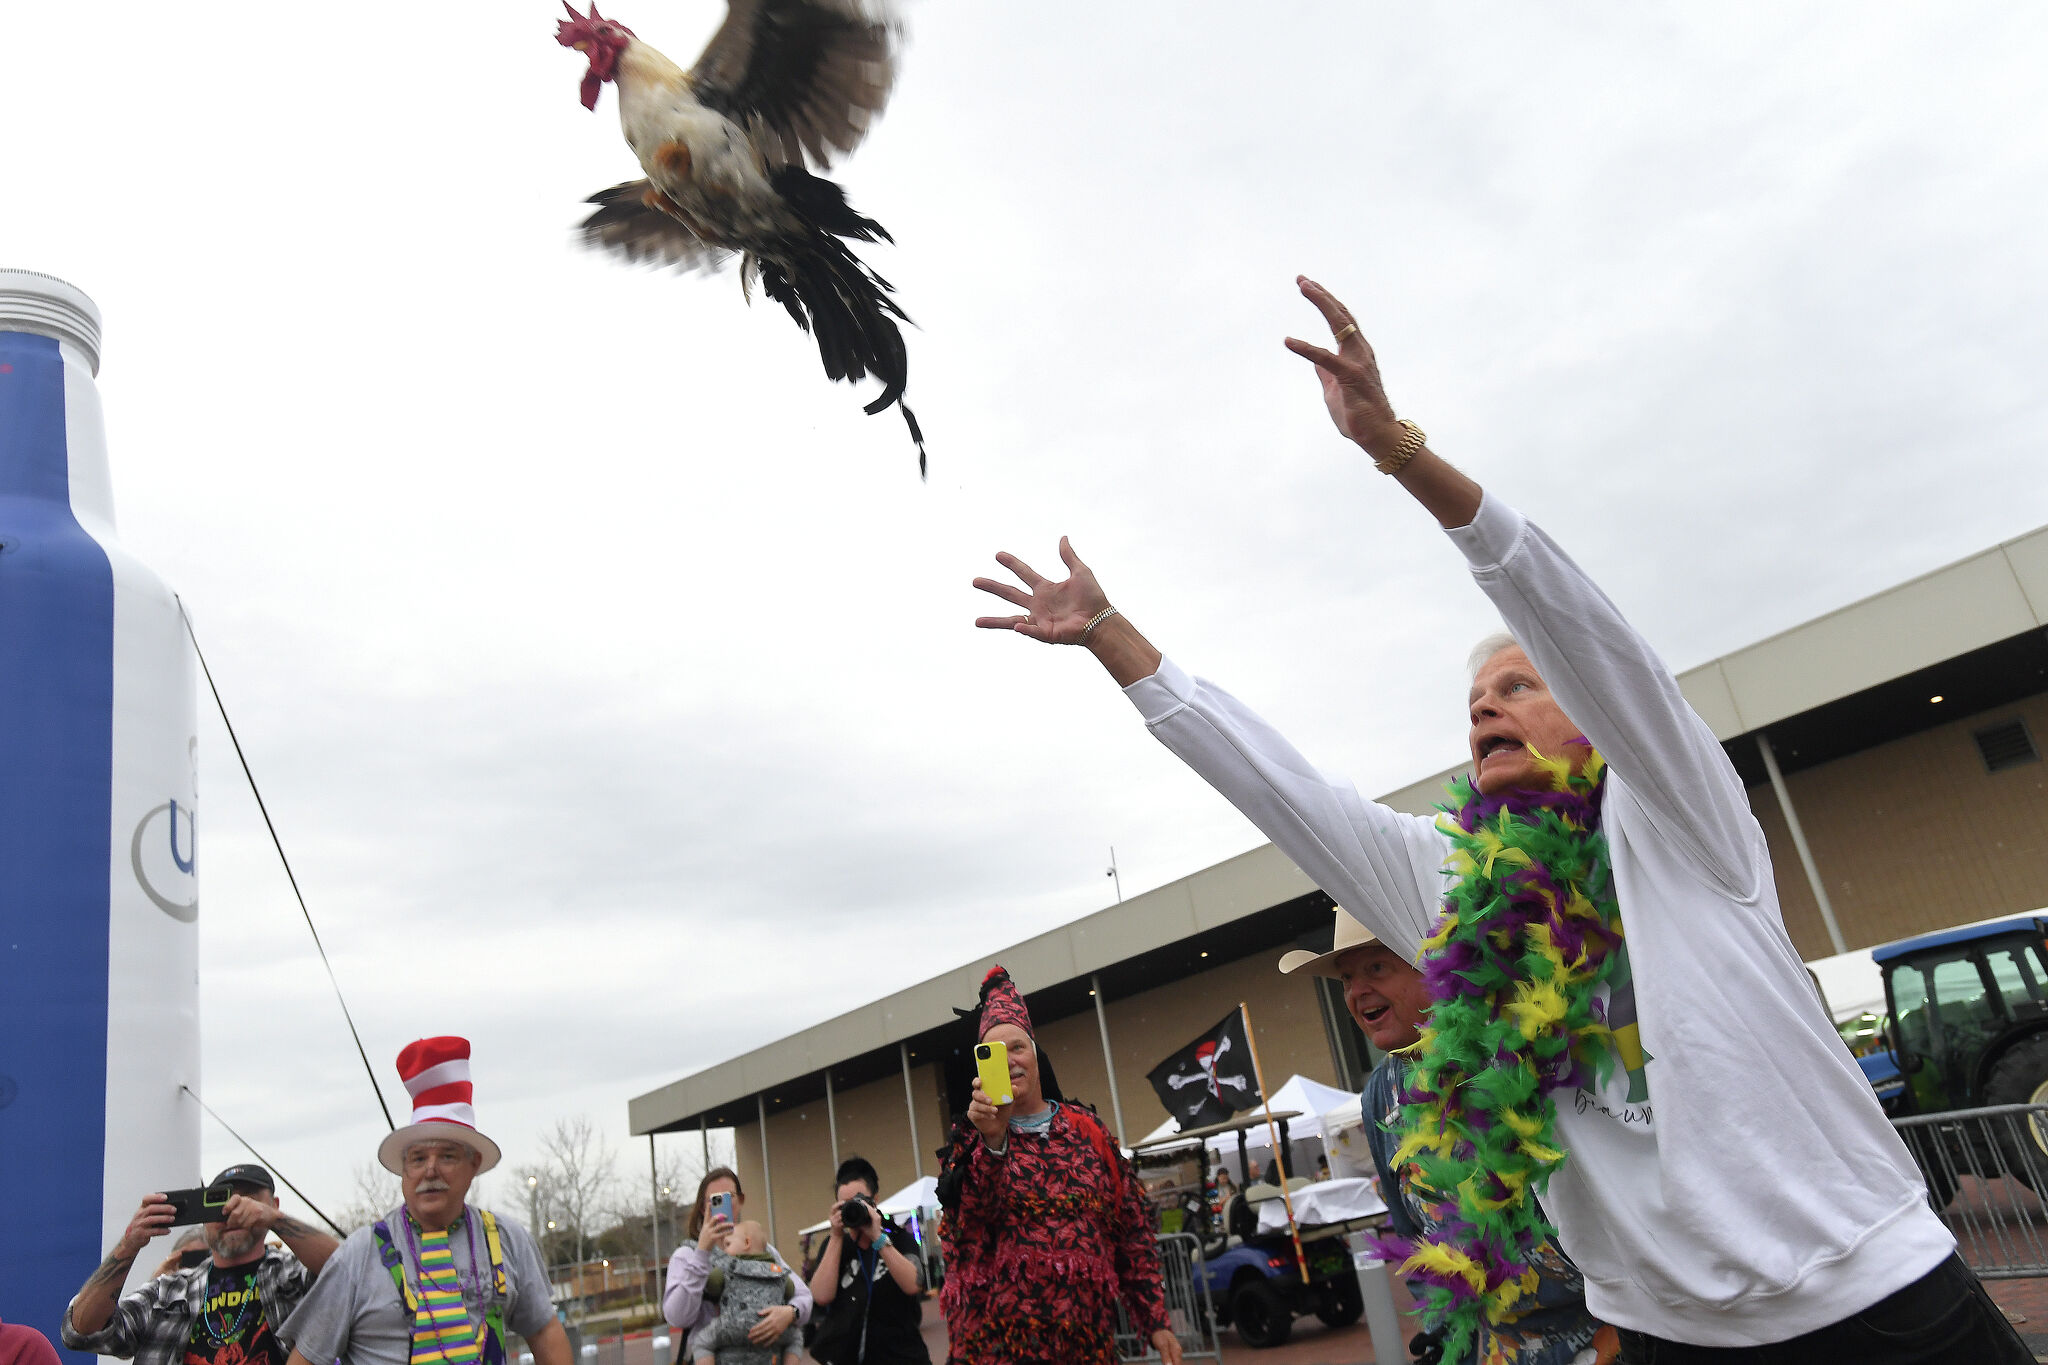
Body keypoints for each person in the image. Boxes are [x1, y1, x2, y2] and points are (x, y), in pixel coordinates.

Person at [970, 275, 2030, 1364]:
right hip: (1668, 1336)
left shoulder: (1680, 824)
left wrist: (1400, 452)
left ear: (1597, 715)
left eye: (1523, 685)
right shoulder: (1442, 885)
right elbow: (1280, 790)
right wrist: (1112, 638)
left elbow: (1584, 629)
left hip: (1875, 1299)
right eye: (1475, 700)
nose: (1486, 703)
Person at [1284, 905, 1616, 1364]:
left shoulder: (1517, 1047)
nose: (1357, 992)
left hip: (1607, 1337)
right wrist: (1444, 1339)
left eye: (1375, 968)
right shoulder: (1381, 1095)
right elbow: (1416, 1239)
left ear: (1430, 963)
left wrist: (1620, 1334)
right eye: (1345, 979)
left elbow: (1616, 1197)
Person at [936, 966, 1180, 1365]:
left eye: (1017, 1047)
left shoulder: (1089, 1131)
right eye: (994, 1052)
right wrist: (994, 1142)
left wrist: (1155, 1320)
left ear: (1035, 1054)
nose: (1010, 1060)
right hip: (1001, 1352)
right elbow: (969, 1226)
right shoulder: (971, 1140)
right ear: (982, 1066)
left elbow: (1132, 1228)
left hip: (1090, 1346)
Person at [279, 1037, 569, 1365]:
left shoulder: (507, 1239)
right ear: (404, 1170)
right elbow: (306, 1356)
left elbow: (546, 1332)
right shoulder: (359, 1254)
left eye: (446, 1155)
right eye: (418, 1159)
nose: (430, 1170)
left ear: (473, 1164)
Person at [62, 1164, 338, 1365]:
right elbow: (81, 1332)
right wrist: (129, 1244)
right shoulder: (168, 1293)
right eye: (219, 1201)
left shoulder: (292, 1275)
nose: (232, 1209)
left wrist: (276, 1220)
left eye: (248, 1198)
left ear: (273, 1204)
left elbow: (347, 1272)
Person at [664, 1169, 811, 1352]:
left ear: (741, 1201)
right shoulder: (686, 1255)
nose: (722, 1205)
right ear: (703, 1208)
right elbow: (678, 1317)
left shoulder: (761, 1250)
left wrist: (790, 1313)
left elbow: (803, 1295)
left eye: (729, 1197)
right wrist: (702, 1253)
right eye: (714, 1199)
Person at [805, 1156, 930, 1365]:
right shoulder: (834, 1245)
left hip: (902, 1357)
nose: (852, 1209)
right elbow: (820, 1296)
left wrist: (878, 1238)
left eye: (859, 1201)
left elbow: (913, 1284)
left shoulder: (899, 1239)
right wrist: (836, 1235)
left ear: (876, 1200)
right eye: (844, 1204)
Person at [685, 1221, 801, 1365]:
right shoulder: (779, 1271)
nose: (725, 1250)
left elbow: (712, 1285)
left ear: (747, 1243)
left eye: (728, 1244)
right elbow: (790, 1291)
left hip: (734, 1325)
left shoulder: (727, 1266)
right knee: (796, 1338)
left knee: (702, 1342)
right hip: (771, 1326)